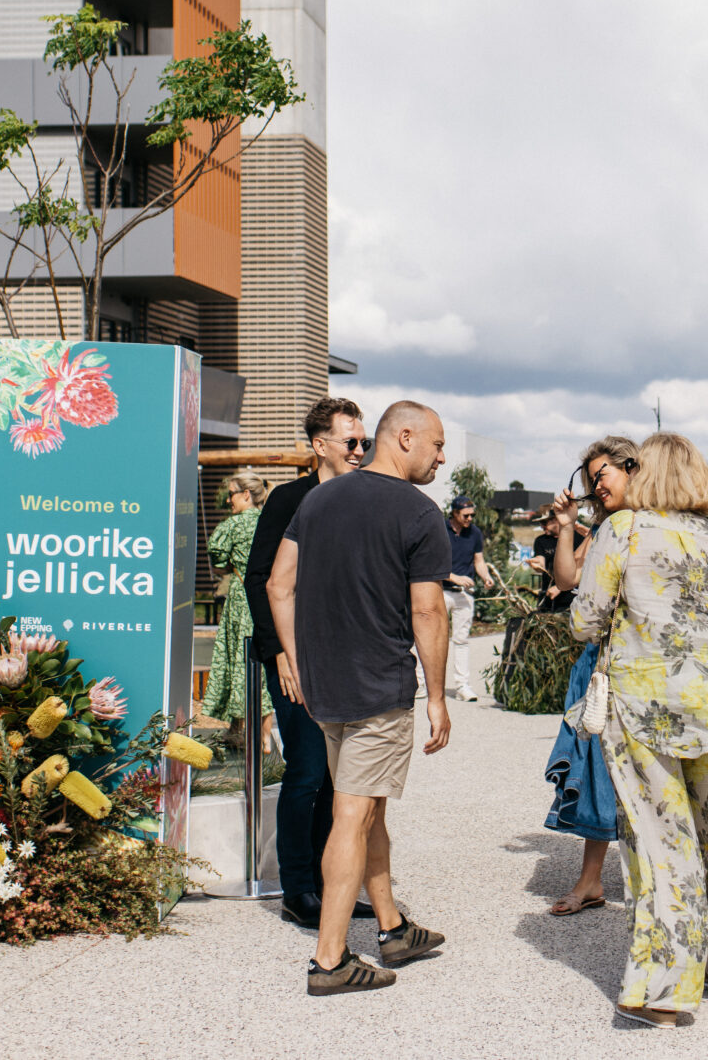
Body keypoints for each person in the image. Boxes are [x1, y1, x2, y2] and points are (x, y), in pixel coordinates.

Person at [270, 400, 455, 996]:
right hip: (378, 686)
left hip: (326, 690)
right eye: (436, 445)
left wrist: (297, 660)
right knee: (352, 814)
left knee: (368, 806)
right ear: (404, 437)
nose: (441, 457)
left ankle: (394, 927)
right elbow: (428, 608)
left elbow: (279, 584)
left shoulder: (317, 499)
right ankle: (329, 961)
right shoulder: (419, 512)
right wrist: (437, 697)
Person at [573, 431, 708, 1029]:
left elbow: (584, 619)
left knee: (659, 840)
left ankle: (666, 993)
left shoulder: (622, 530)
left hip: (646, 702)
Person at [242, 396, 373, 929]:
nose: (361, 450)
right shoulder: (288, 500)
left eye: (364, 441)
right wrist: (280, 655)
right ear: (321, 446)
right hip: (294, 660)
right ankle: (298, 889)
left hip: (342, 660)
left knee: (340, 778)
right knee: (307, 772)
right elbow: (259, 579)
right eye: (352, 441)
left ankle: (330, 886)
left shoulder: (360, 501)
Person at [539, 435, 635, 917]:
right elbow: (565, 582)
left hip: (638, 667)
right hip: (598, 664)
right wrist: (566, 528)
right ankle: (592, 880)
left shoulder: (650, 526)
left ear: (632, 468)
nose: (596, 485)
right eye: (591, 478)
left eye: (604, 474)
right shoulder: (603, 530)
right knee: (595, 769)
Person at [201, 472, 268, 743]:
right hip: (268, 597)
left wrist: (231, 566)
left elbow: (216, 556)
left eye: (231, 494)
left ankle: (237, 729)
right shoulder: (269, 522)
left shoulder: (234, 525)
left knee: (238, 657)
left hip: (242, 597)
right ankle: (264, 736)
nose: (228, 500)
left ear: (245, 495)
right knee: (263, 663)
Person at [441, 494, 495, 701]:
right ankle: (422, 685)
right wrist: (454, 578)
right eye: (466, 515)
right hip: (442, 591)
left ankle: (462, 686)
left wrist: (486, 576)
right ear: (454, 513)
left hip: (465, 594)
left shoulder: (475, 533)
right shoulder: (440, 530)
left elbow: (478, 561)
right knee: (434, 638)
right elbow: (431, 562)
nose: (470, 519)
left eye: (472, 515)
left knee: (462, 640)